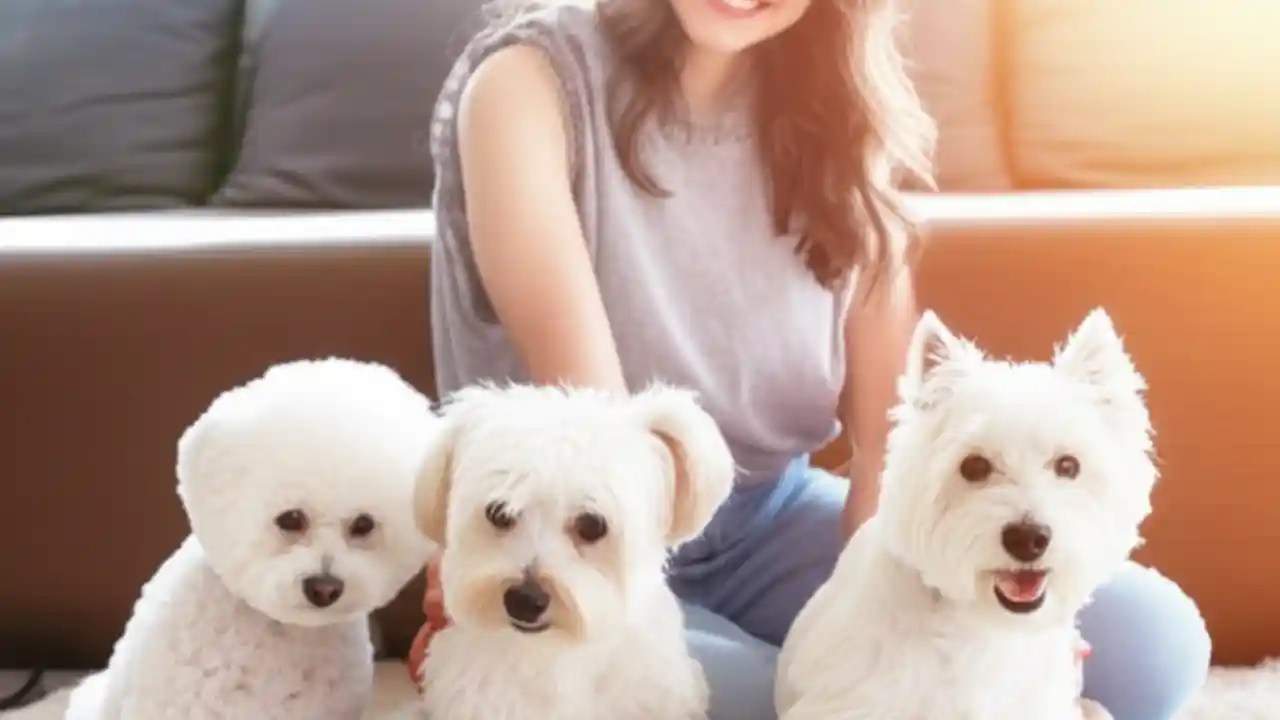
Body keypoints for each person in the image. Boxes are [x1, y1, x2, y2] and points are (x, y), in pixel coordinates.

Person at [415, 0, 1212, 717]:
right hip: (585, 535)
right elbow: (600, 449)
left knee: (1148, 646)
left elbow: (884, 444)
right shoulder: (525, 87)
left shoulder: (846, 109)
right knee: (768, 700)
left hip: (770, 520)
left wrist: (959, 649)